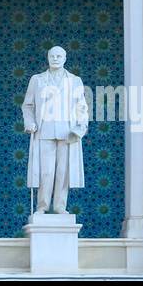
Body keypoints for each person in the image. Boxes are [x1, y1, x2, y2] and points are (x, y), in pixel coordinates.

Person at [21, 45, 89, 214]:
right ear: (48, 58)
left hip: (67, 132)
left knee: (63, 172)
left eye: (59, 56)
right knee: (46, 172)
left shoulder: (75, 80)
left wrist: (80, 127)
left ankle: (60, 206)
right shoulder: (37, 79)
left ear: (65, 58)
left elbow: (81, 107)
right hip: (45, 130)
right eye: (52, 56)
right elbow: (28, 105)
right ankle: (42, 206)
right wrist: (29, 122)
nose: (56, 59)